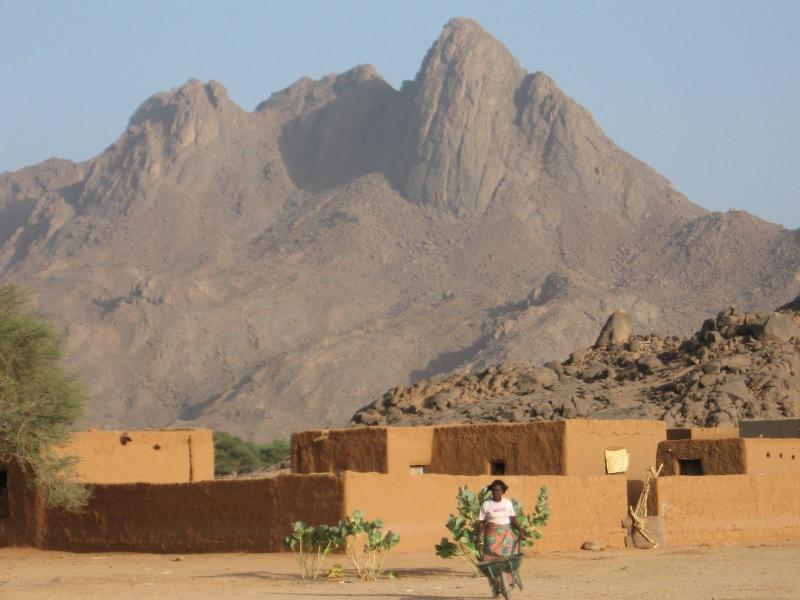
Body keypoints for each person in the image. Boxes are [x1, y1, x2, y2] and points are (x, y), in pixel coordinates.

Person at [476, 479, 526, 594]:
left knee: (507, 558)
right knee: (490, 560)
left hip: (506, 534)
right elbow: (481, 522)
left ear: (503, 491)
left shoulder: (507, 503)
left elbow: (512, 519)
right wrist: (477, 538)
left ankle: (508, 582)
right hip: (491, 535)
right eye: (493, 490)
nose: (495, 492)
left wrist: (520, 530)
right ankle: (495, 586)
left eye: (498, 490)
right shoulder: (486, 504)